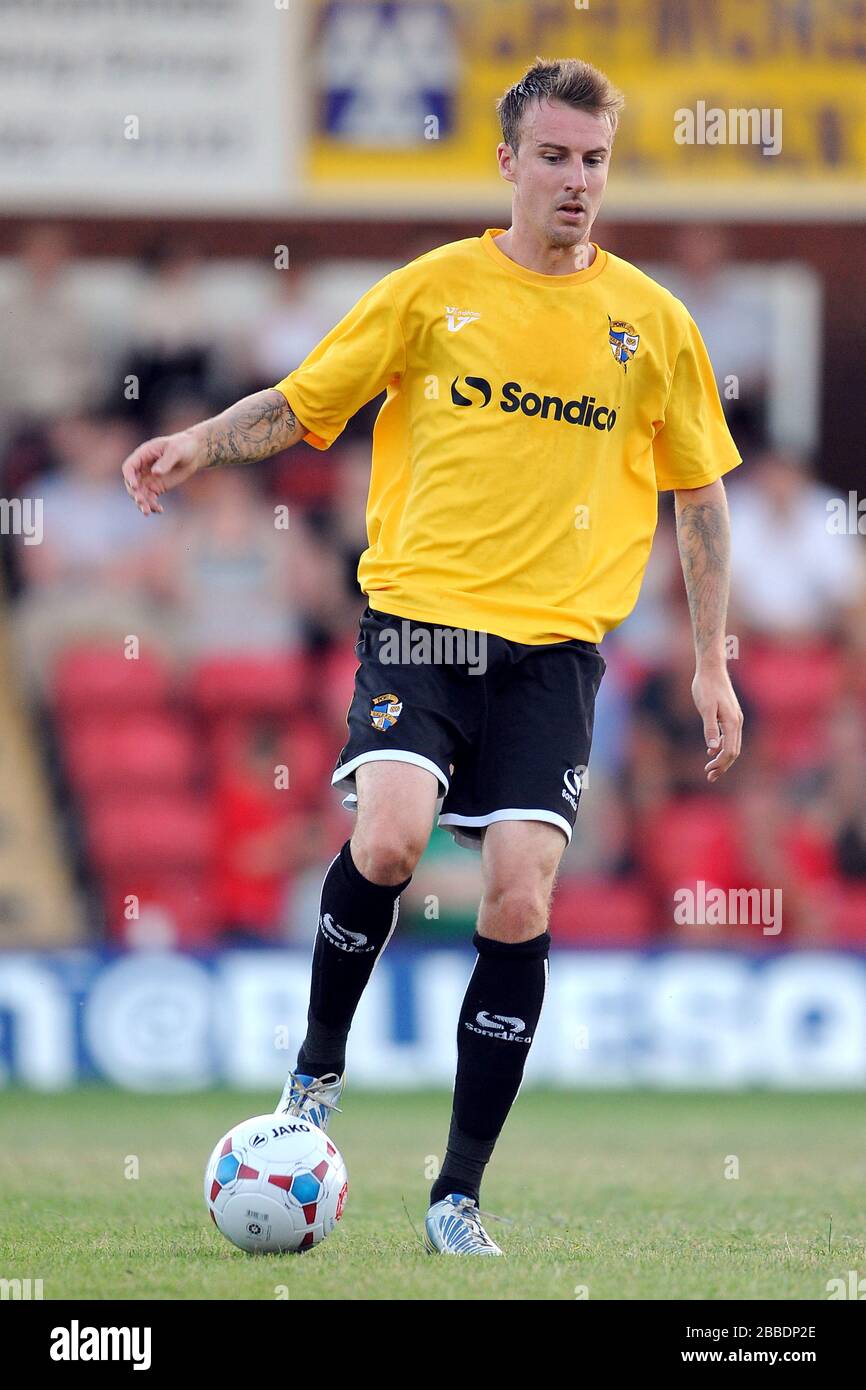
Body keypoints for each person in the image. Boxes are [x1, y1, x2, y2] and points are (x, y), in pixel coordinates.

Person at [122, 57, 744, 1257]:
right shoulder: (430, 291)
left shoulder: (653, 324)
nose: (574, 180)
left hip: (555, 651)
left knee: (518, 893)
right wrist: (199, 440)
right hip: (422, 618)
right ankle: (314, 1072)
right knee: (392, 839)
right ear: (508, 161)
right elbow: (308, 403)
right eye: (553, 156)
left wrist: (711, 661)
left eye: (593, 160)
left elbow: (699, 501)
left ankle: (455, 1195)